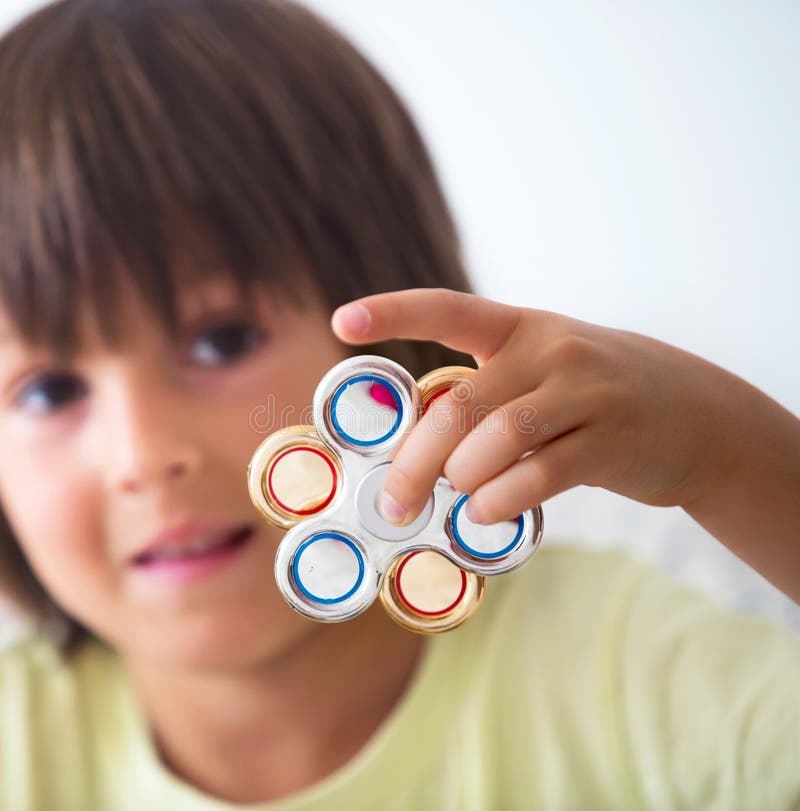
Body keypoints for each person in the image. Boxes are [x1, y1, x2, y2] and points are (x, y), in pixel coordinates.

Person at [0, 1, 797, 809]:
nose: (141, 454)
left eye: (221, 341)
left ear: (392, 322)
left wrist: (720, 452)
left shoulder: (625, 669)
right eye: (48, 390)